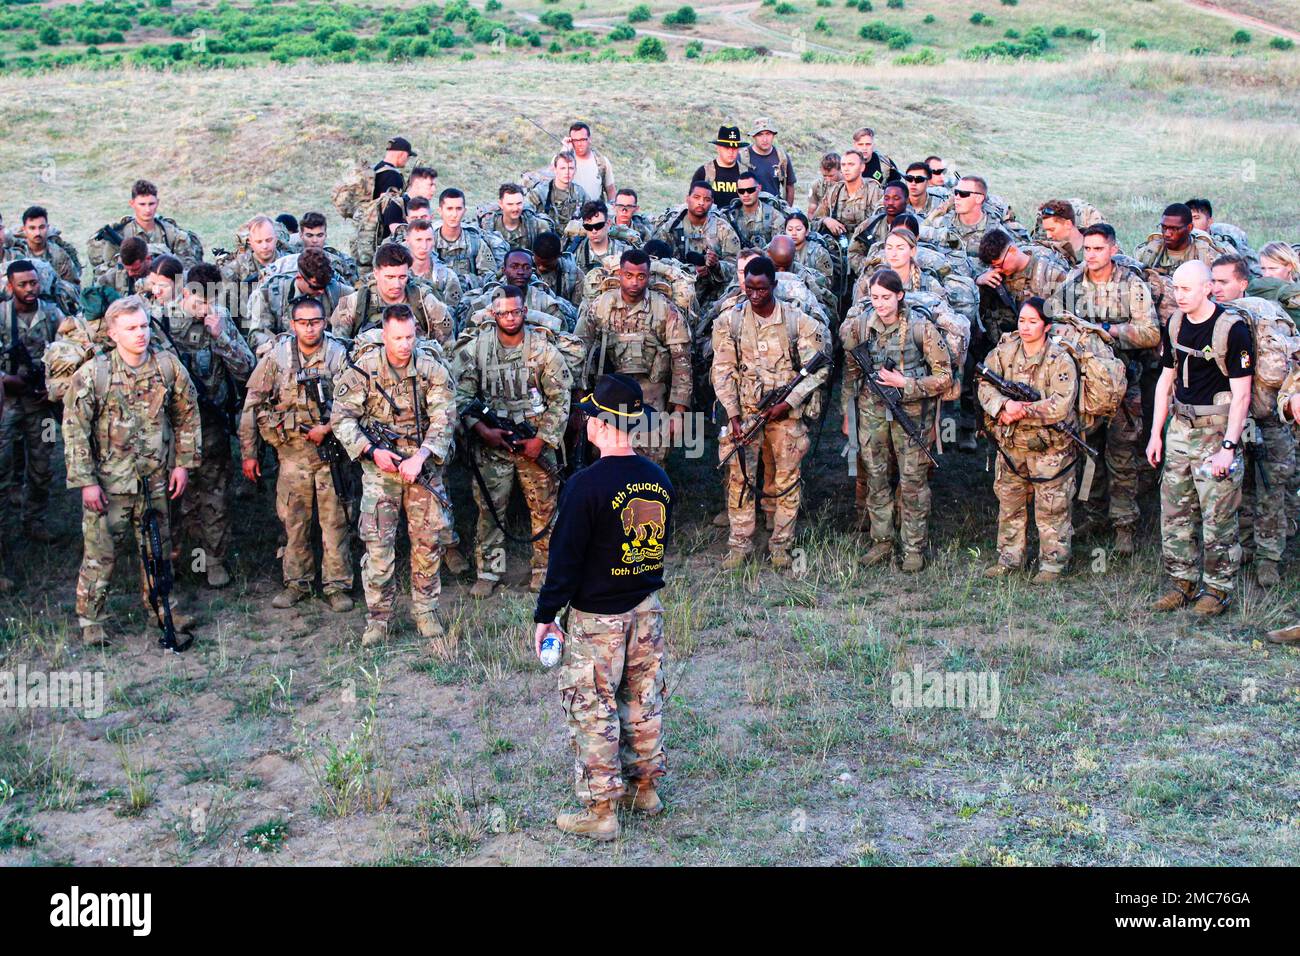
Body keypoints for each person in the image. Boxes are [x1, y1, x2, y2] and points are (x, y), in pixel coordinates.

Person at [534, 373, 673, 841]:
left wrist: (547, 615)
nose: (585, 422)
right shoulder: (659, 479)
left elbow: (565, 559)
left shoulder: (584, 486)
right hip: (647, 609)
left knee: (593, 707)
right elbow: (657, 548)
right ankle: (644, 787)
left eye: (589, 415)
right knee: (643, 700)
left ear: (600, 423)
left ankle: (600, 811)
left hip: (597, 619)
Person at [63, 296, 200, 646]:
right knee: (101, 552)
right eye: (131, 328)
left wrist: (183, 463)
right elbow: (74, 429)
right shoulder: (95, 374)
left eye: (143, 326)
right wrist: (86, 482)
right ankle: (91, 619)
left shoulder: (168, 367)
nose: (140, 334)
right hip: (111, 482)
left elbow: (187, 416)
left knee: (159, 548)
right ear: (113, 333)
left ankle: (161, 607)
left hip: (155, 478)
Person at [332, 303, 457, 650]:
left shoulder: (431, 368)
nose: (404, 344)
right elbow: (341, 418)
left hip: (422, 466)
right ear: (384, 335)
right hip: (381, 471)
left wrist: (421, 456)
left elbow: (445, 418)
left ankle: (426, 611)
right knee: (378, 546)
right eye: (397, 338)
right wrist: (372, 452)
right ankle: (378, 618)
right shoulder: (363, 369)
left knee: (428, 542)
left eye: (410, 336)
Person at [1146, 261, 1254, 617]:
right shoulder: (1175, 324)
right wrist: (1156, 434)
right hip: (1180, 428)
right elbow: (1165, 380)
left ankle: (1217, 590)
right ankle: (1182, 582)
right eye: (1176, 289)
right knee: (1175, 510)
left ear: (1208, 288)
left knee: (1217, 515)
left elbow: (1242, 395)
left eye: (1187, 289)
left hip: (1216, 432)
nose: (1179, 296)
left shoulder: (1231, 330)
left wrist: (1229, 447)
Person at [712, 256, 829, 571]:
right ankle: (739, 544)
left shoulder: (797, 322)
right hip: (747, 413)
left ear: (774, 285)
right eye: (749, 287)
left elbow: (819, 368)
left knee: (787, 481)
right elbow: (722, 370)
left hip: (785, 415)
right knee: (739, 478)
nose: (754, 294)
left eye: (761, 288)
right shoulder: (731, 321)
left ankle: (781, 545)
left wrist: (788, 403)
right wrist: (733, 414)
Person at [455, 286, 573, 597]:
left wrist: (542, 439)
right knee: (490, 510)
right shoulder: (478, 348)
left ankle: (545, 570)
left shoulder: (542, 349)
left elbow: (560, 399)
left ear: (525, 312)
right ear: (493, 315)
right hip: (493, 444)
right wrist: (482, 430)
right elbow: (462, 396)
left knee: (544, 509)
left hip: (534, 441)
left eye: (516, 311)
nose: (510, 318)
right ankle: (489, 572)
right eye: (504, 313)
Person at [240, 296, 354, 613]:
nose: (310, 328)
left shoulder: (337, 354)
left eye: (316, 321)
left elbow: (356, 400)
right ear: (292, 325)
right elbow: (252, 406)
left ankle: (337, 585)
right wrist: (250, 453)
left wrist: (328, 428)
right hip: (291, 456)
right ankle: (297, 583)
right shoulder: (277, 358)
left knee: (335, 524)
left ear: (324, 322)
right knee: (295, 524)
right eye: (303, 322)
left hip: (330, 455)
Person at [1056, 223, 1160, 556]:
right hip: (1084, 384)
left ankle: (1124, 526)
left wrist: (1107, 331)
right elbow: (1055, 323)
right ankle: (1094, 514)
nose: (1091, 255)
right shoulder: (1072, 283)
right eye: (1087, 249)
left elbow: (1150, 334)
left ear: (1113, 250)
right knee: (1086, 452)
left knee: (1122, 456)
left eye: (1099, 249)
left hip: (1123, 384)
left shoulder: (1132, 286)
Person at [151, 261, 255, 588]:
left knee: (214, 494)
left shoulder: (220, 319)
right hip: (171, 430)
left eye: (211, 300)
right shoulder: (160, 324)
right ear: (185, 293)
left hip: (211, 426)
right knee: (175, 497)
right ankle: (177, 559)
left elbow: (248, 371)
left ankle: (212, 561)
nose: (204, 308)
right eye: (199, 301)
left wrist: (221, 336)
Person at [842, 269, 951, 572]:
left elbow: (945, 378)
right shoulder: (861, 328)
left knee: (912, 481)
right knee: (875, 478)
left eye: (886, 297)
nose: (880, 304)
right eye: (875, 297)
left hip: (911, 414)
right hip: (871, 412)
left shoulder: (921, 329)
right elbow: (850, 372)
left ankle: (913, 547)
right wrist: (847, 414)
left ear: (900, 295)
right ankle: (882, 541)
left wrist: (906, 384)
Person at [978, 298, 1080, 583]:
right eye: (1022, 320)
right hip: (1011, 445)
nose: (1025, 327)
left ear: (1046, 326)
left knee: (1051, 507)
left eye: (1033, 321)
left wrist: (1021, 410)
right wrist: (1001, 406)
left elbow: (1061, 405)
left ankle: (1052, 564)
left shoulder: (1059, 360)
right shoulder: (1004, 352)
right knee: (1010, 503)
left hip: (1050, 447)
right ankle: (1010, 558)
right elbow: (984, 385)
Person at [1210, 254, 1297, 587]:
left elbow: (1281, 369)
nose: (1217, 289)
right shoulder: (1213, 318)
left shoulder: (1262, 314)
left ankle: (1268, 558)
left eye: (1224, 282)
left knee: (1270, 487)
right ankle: (1246, 546)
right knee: (1239, 487)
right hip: (1230, 418)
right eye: (1213, 282)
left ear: (1243, 283)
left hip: (1269, 415)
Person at [574, 249, 691, 463]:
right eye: (629, 275)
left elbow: (681, 360)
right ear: (620, 274)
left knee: (652, 456)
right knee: (607, 457)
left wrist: (679, 409)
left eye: (641, 276)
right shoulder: (600, 306)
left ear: (648, 276)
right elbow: (579, 349)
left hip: (651, 393)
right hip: (608, 394)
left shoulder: (664, 309)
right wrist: (580, 394)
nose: (634, 282)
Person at [0, 259, 65, 543]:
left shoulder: (52, 315)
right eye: (23, 284)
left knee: (42, 466)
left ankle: (34, 521)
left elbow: (70, 352)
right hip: (6, 404)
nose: (30, 289)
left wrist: (52, 386)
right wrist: (5, 379)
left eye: (34, 283)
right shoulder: (2, 315)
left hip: (42, 405)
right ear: (10, 285)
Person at [330, 241, 452, 346]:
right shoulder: (356, 303)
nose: (397, 284)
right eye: (390, 277)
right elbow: (339, 349)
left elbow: (447, 347)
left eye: (402, 277)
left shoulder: (424, 301)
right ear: (376, 274)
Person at [247, 248, 353, 354]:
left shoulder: (336, 290)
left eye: (324, 286)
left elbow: (357, 300)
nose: (321, 291)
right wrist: (276, 345)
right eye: (314, 287)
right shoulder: (269, 294)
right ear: (299, 278)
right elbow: (257, 335)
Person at [431, 188, 500, 291]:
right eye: (449, 209)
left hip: (470, 299)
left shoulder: (475, 242)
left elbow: (490, 276)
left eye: (458, 208)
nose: (454, 214)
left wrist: (467, 281)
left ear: (464, 211)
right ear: (440, 211)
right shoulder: (430, 241)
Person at [811, 149, 883, 245]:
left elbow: (883, 225)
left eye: (851, 164)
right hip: (838, 246)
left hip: (866, 246)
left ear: (862, 167)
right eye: (843, 165)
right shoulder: (835, 191)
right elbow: (815, 220)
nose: (846, 169)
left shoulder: (874, 191)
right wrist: (826, 220)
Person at [484, 183, 555, 252]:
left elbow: (548, 258)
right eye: (510, 204)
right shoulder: (489, 227)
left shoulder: (538, 226)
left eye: (519, 203)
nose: (515, 208)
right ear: (501, 204)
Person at [741, 118, 797, 206]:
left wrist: (787, 211)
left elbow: (789, 187)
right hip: (749, 209)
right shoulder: (743, 157)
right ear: (753, 136)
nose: (765, 139)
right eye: (760, 135)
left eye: (768, 134)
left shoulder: (781, 157)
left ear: (773, 135)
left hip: (774, 209)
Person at [726, 169, 788, 247]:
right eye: (741, 191)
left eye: (750, 190)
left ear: (759, 188)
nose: (746, 194)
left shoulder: (774, 216)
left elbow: (779, 247)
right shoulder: (731, 216)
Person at [525, 152, 589, 227]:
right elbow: (525, 213)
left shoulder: (580, 193)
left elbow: (592, 214)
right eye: (563, 168)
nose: (567, 172)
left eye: (571, 168)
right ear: (555, 170)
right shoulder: (541, 192)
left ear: (575, 170)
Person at [691, 125, 747, 205]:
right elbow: (693, 202)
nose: (731, 152)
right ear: (717, 148)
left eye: (734, 148)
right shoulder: (704, 172)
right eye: (726, 148)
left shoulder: (745, 173)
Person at [564, 121, 617, 202]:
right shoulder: (562, 160)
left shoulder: (602, 162)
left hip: (595, 212)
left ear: (589, 139)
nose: (579, 144)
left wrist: (611, 210)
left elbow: (610, 190)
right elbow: (547, 180)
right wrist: (564, 150)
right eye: (575, 140)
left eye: (582, 140)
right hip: (570, 212)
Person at [805, 152, 841, 217]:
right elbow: (811, 214)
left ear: (840, 170)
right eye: (824, 175)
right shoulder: (817, 186)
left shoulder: (849, 185)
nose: (828, 179)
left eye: (831, 176)